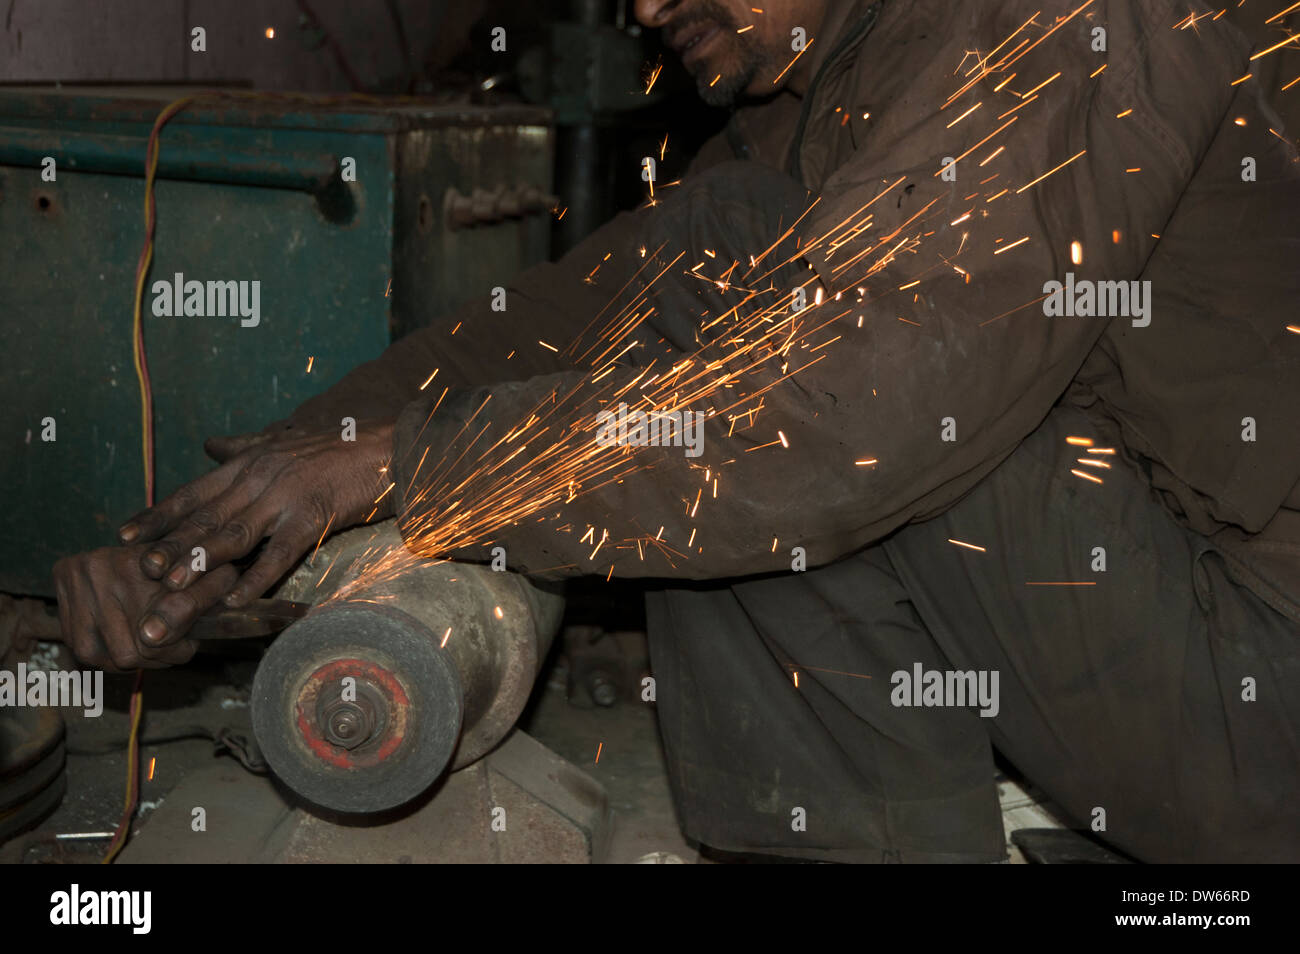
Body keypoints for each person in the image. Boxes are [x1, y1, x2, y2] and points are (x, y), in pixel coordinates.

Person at [54, 0, 1300, 862]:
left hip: (1264, 705)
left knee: (777, 400)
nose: (647, 6)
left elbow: (845, 406)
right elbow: (558, 325)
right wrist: (226, 521)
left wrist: (411, 467)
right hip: (1181, 646)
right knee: (724, 259)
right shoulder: (830, 101)